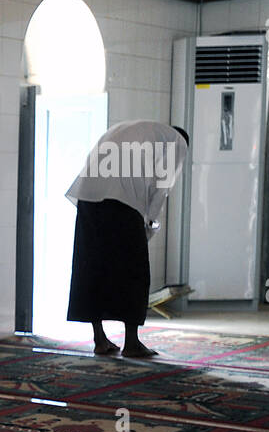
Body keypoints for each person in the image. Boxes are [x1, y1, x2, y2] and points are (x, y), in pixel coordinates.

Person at [65, 120, 189, 357]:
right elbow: (161, 188)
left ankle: (100, 340)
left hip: (88, 196)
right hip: (122, 202)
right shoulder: (178, 141)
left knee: (92, 266)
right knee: (134, 271)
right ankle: (131, 343)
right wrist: (149, 228)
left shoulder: (133, 129)